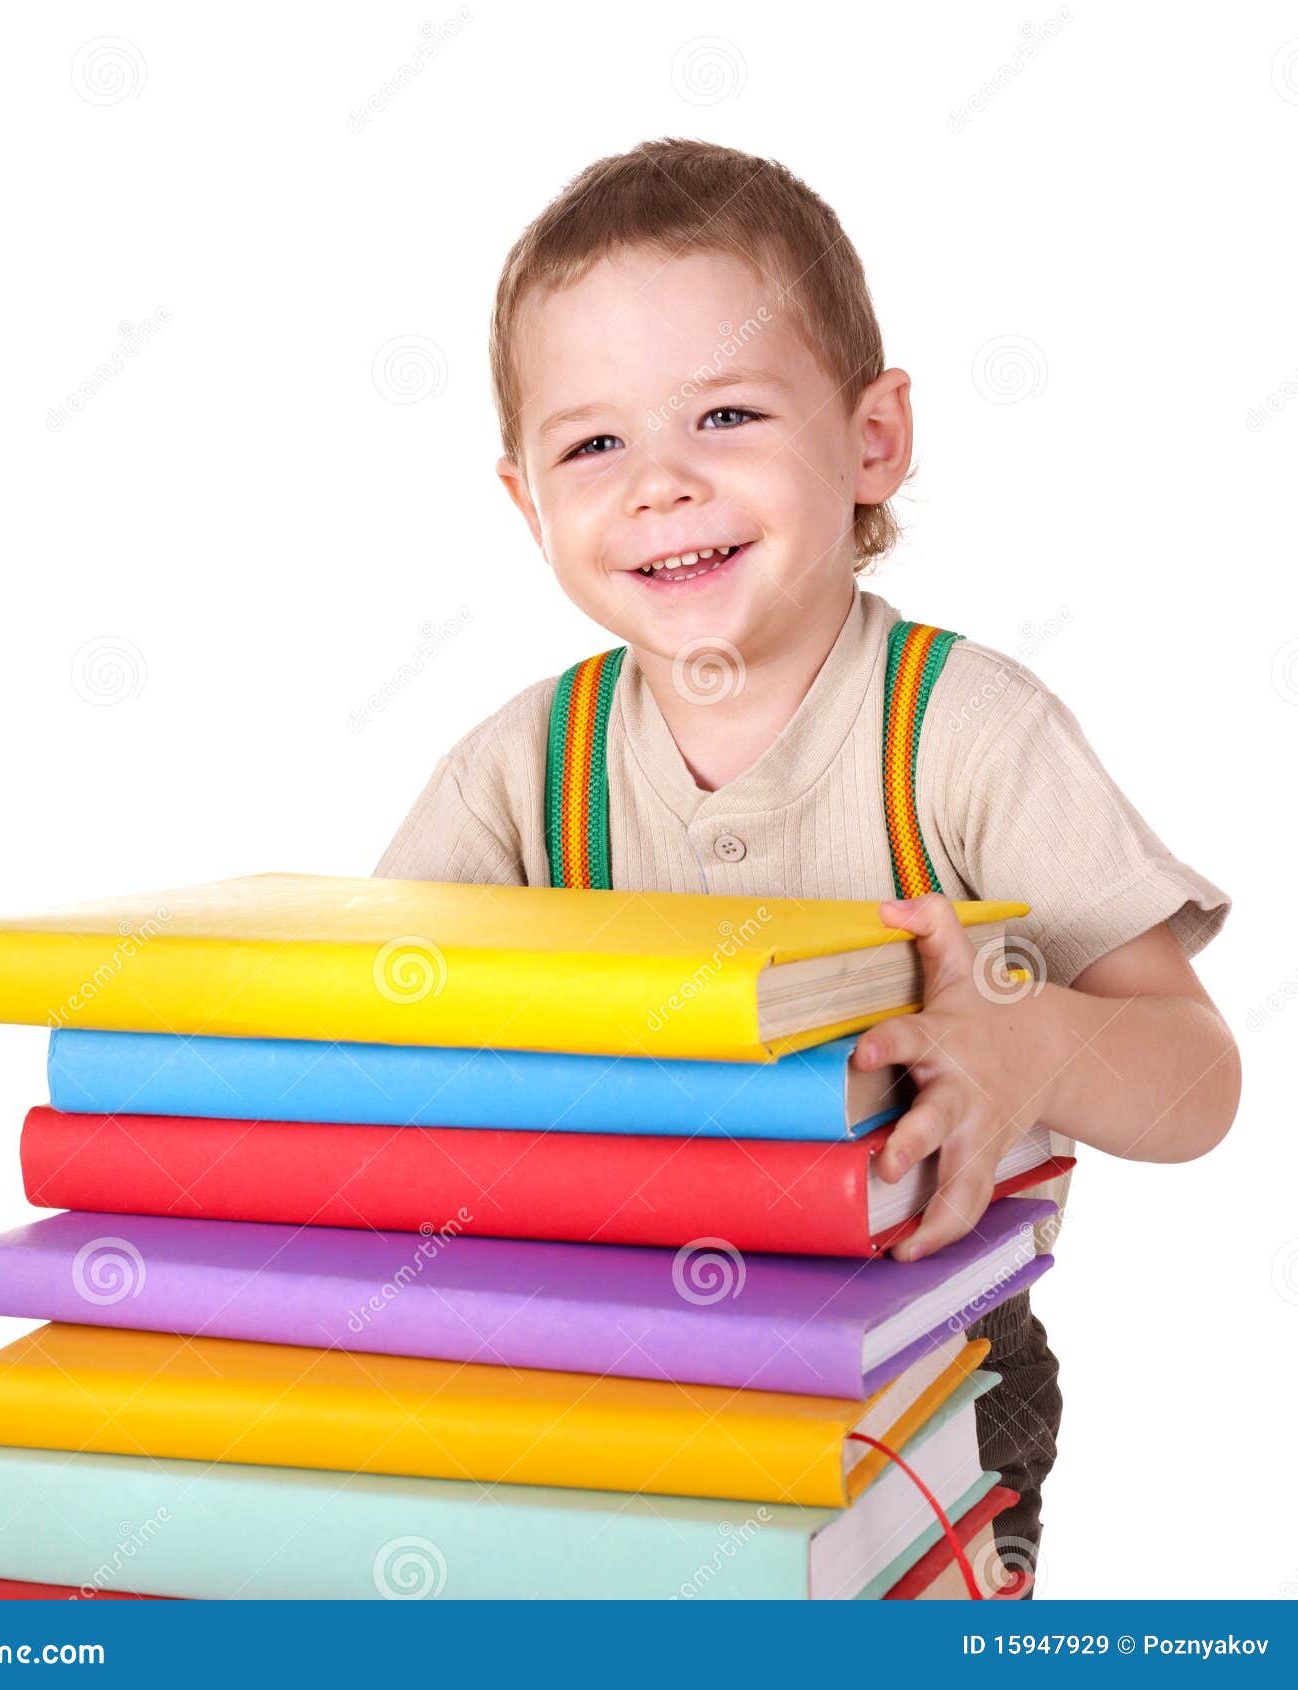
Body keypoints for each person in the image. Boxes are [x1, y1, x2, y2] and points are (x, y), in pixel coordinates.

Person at [375, 138, 1239, 1585]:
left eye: (721, 413)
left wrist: (1037, 1046)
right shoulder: (520, 770)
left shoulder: (963, 733)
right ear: (528, 502)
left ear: (870, 440)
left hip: (924, 1367)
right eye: (594, 445)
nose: (657, 485)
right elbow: (359, 1026)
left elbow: (1198, 1077)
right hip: (590, 1349)